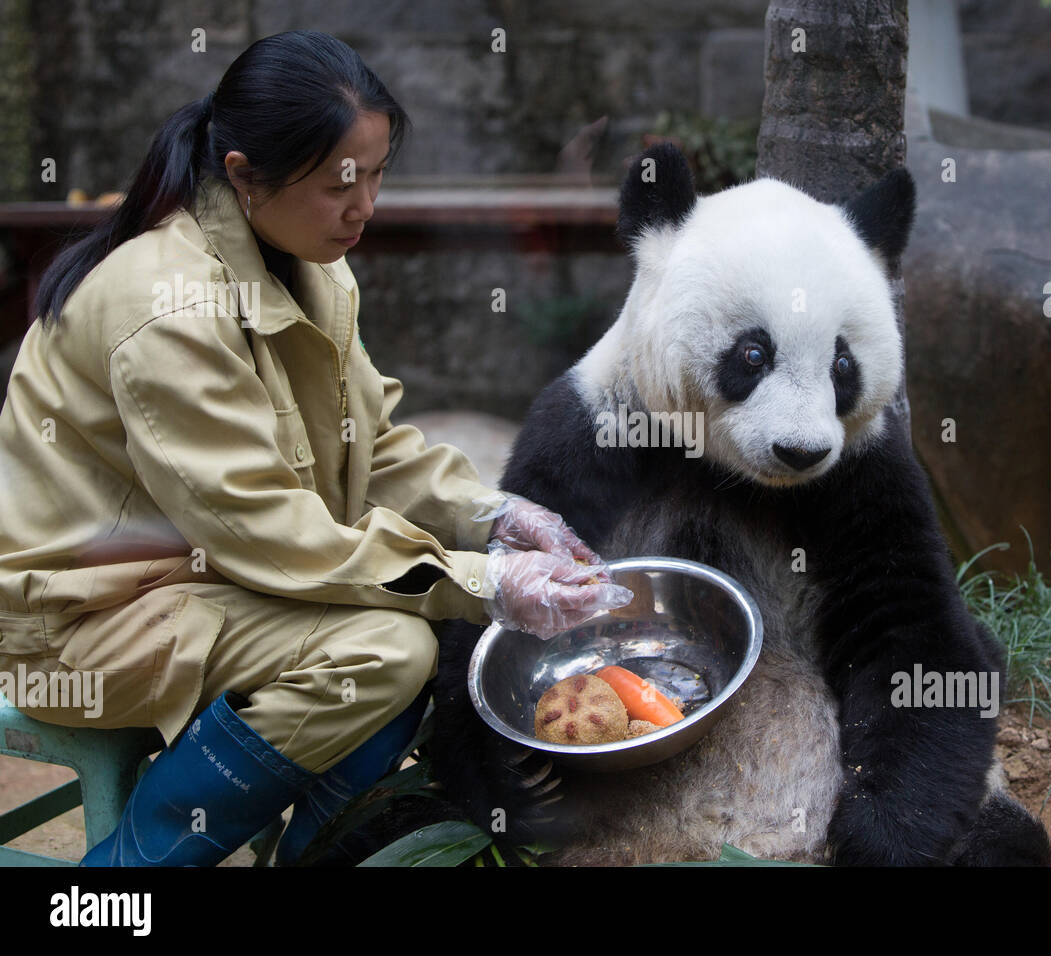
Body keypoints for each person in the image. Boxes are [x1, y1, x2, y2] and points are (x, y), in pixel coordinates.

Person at [0, 30, 631, 867]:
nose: (364, 204)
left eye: (374, 174)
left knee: (415, 637)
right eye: (341, 182)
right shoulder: (166, 308)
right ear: (242, 174)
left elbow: (373, 449)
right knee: (387, 649)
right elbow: (259, 527)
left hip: (201, 578)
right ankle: (121, 877)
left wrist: (496, 517)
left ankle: (312, 855)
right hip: (81, 617)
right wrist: (485, 583)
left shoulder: (316, 268)